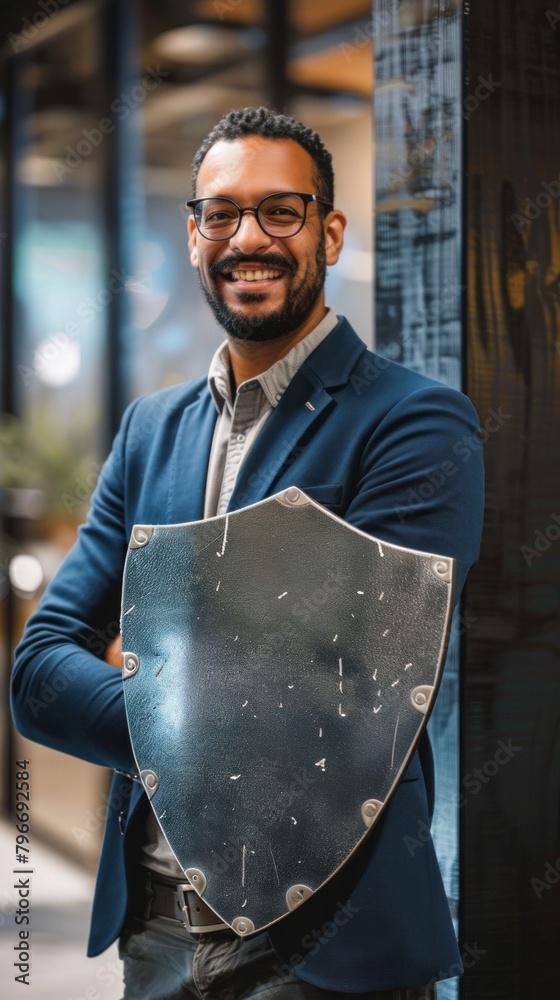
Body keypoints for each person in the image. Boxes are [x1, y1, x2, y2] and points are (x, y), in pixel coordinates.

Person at [12, 106, 484, 999]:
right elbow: (38, 673)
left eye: (281, 211)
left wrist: (161, 689)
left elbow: (343, 707)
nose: (248, 239)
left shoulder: (414, 425)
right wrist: (222, 708)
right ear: (193, 237)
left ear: (329, 232)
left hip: (324, 945)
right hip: (155, 932)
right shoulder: (151, 431)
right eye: (221, 214)